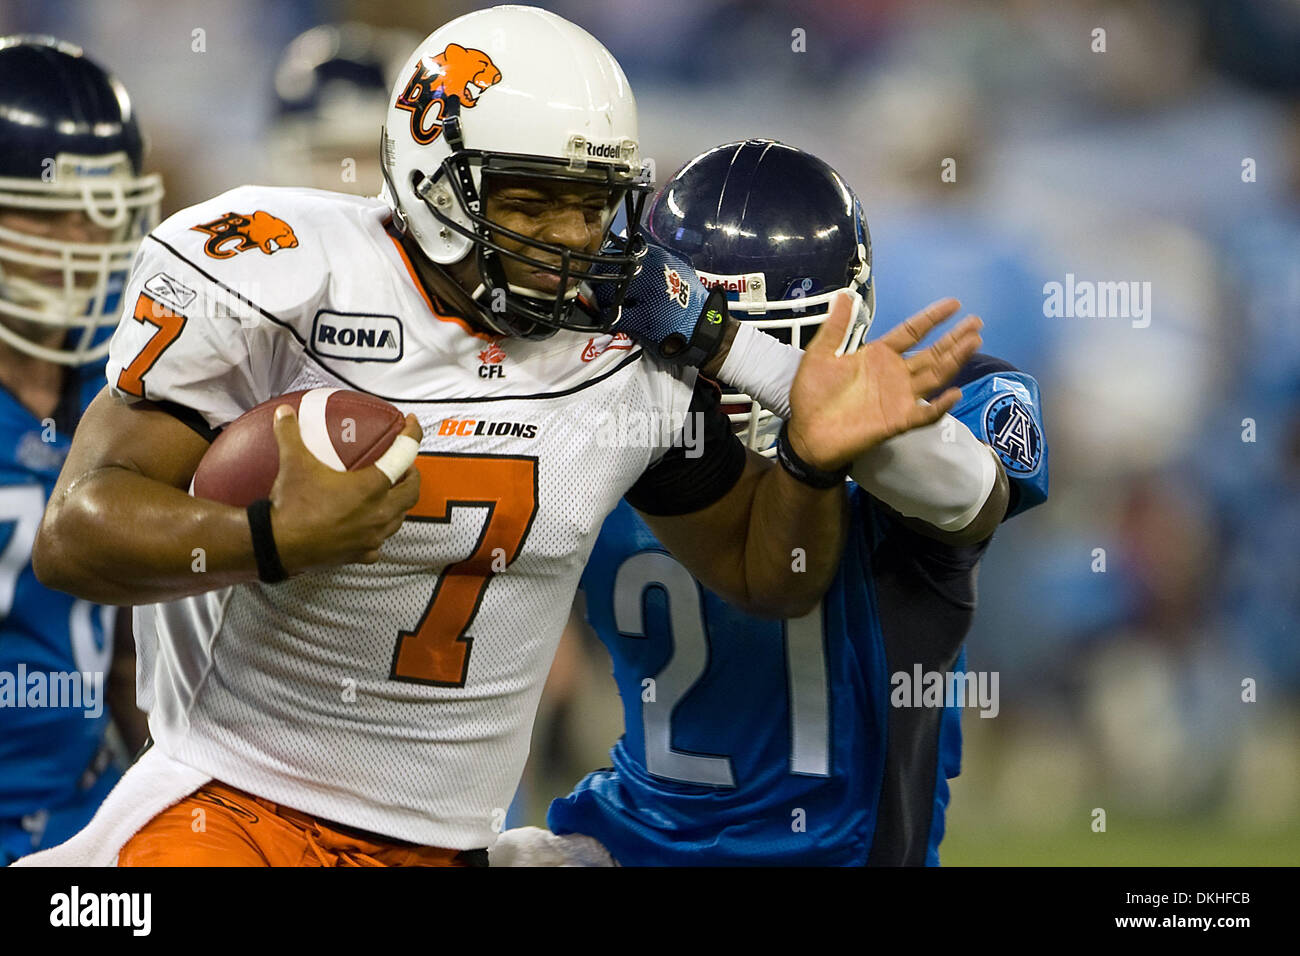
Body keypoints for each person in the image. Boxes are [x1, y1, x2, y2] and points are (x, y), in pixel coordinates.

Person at [19, 9, 977, 867]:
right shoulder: (282, 278)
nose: (567, 236)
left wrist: (807, 459)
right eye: (529, 200)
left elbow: (773, 575)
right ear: (435, 179)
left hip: (450, 843)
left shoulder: (625, 344)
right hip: (239, 809)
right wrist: (267, 537)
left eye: (592, 201)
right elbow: (75, 536)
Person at [489, 140, 1049, 866]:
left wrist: (723, 341)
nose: (716, 381)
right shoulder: (608, 414)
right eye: (684, 338)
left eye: (771, 338)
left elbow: (972, 494)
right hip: (623, 841)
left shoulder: (933, 416)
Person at [0, 35, 158, 864]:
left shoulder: (126, 363)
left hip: (88, 811)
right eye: (43, 206)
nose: (78, 237)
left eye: (101, 208)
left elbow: (134, 643)